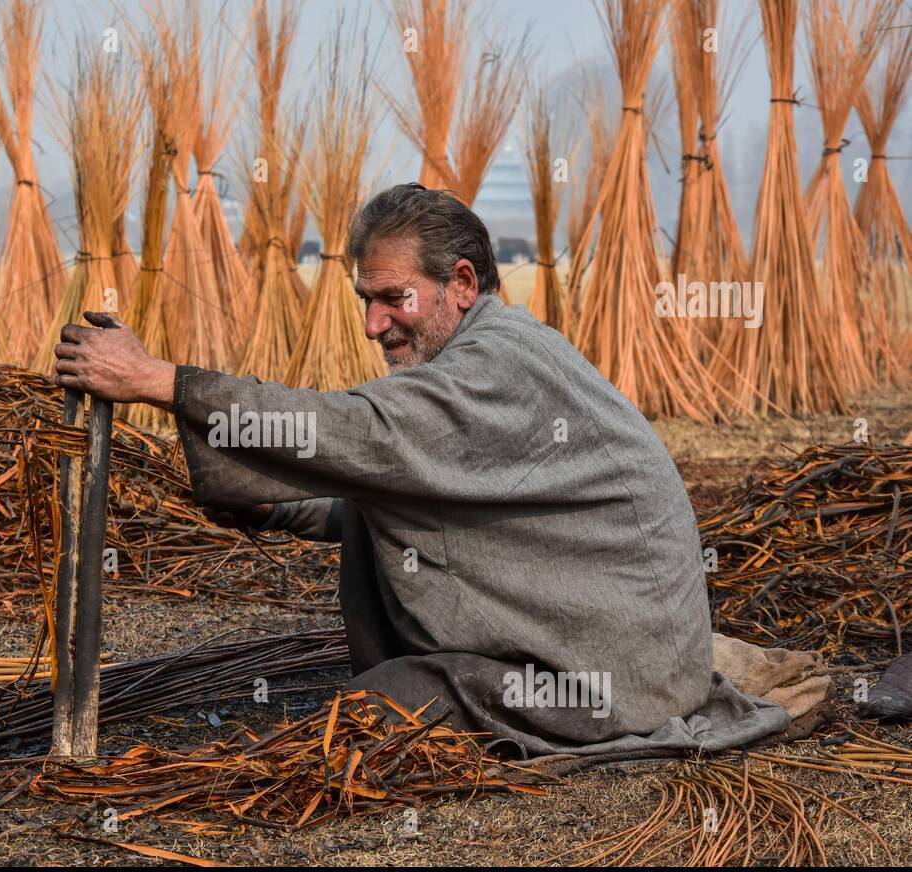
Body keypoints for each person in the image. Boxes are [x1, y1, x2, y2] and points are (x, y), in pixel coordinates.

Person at [53, 183, 789, 756]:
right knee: (381, 517)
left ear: (461, 284)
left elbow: (362, 434)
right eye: (365, 302)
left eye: (393, 299)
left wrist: (160, 382)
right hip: (619, 652)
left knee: (375, 714)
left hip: (618, 678)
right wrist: (274, 507)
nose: (375, 325)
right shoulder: (490, 351)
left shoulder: (493, 366)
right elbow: (429, 508)